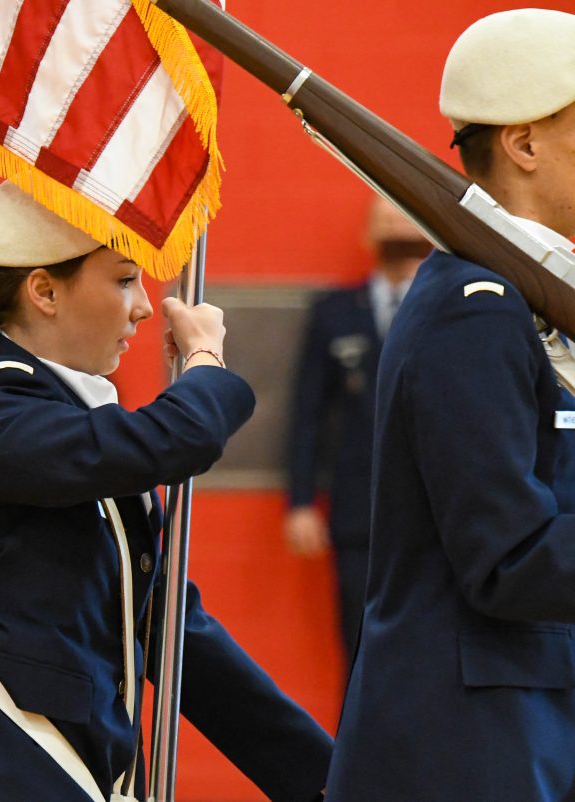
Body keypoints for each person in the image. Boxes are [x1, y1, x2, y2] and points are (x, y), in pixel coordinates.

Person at [0, 182, 333, 802]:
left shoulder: (68, 417)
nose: (146, 308)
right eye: (125, 279)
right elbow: (168, 441)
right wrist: (205, 358)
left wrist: (327, 779)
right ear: (44, 290)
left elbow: (174, 629)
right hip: (2, 776)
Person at [326, 9, 575, 801]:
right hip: (476, 749)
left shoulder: (515, 300)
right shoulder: (477, 306)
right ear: (524, 144)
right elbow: (507, 558)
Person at [284, 196, 428, 658]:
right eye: (386, 222)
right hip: (358, 513)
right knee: (361, 646)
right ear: (368, 237)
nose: (397, 231)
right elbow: (307, 414)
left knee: (430, 653)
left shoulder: (449, 309)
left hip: (437, 514)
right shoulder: (335, 312)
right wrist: (302, 502)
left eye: (406, 220)